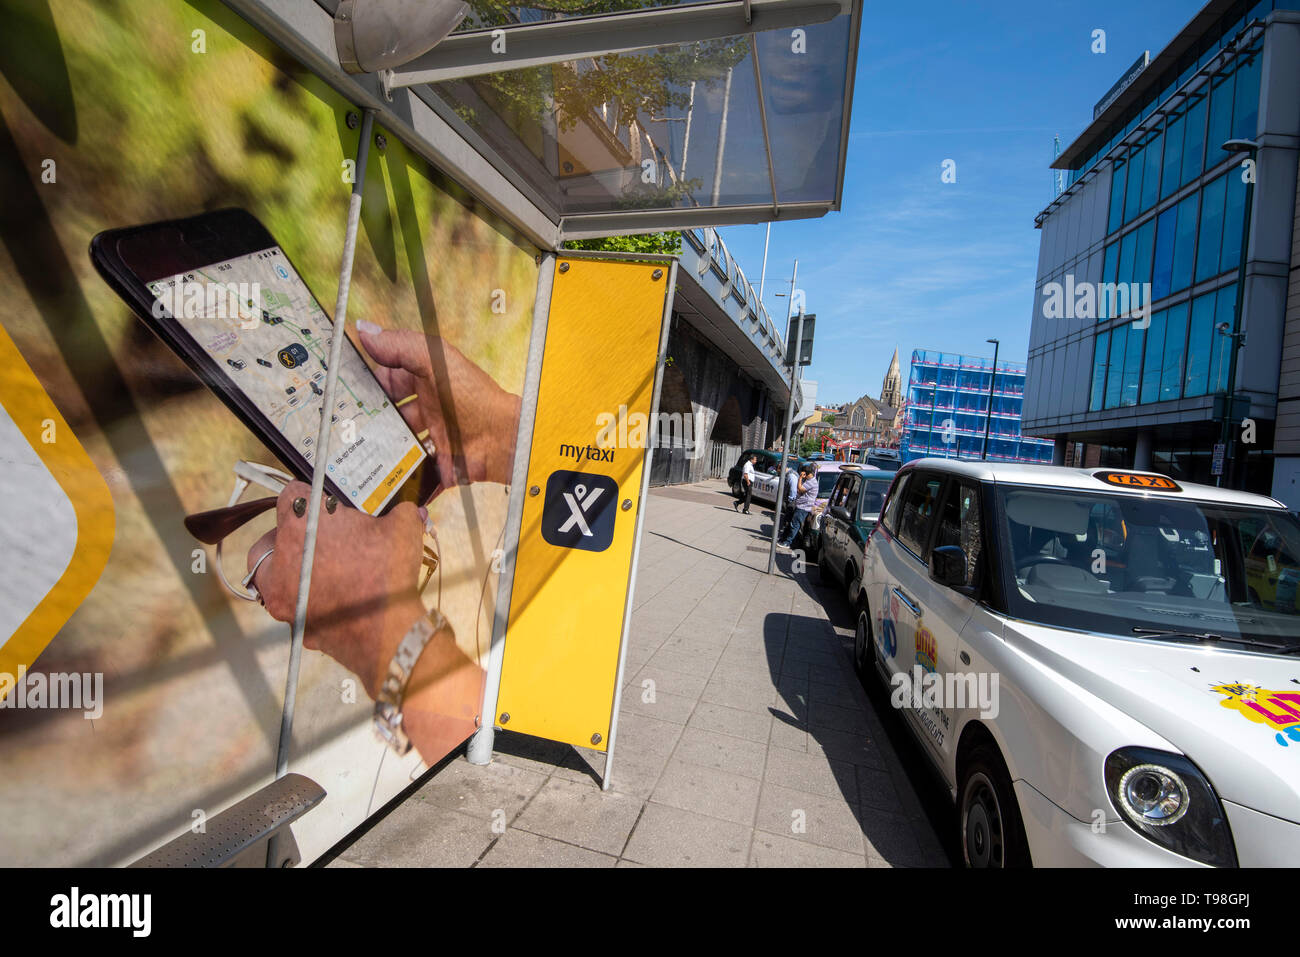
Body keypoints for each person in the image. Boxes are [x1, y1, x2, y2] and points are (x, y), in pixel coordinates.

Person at [780, 465, 819, 549]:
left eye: (802, 473)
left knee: (795, 524)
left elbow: (800, 489)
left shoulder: (811, 482)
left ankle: (787, 542)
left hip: (804, 507)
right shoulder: (808, 480)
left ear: (805, 473)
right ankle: (785, 540)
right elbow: (799, 489)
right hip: (801, 505)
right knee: (792, 523)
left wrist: (800, 478)